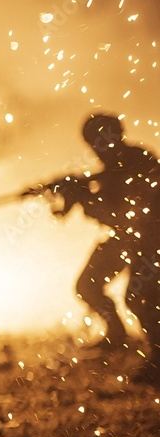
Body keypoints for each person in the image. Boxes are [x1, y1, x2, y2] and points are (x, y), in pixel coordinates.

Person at [41, 114, 160, 370]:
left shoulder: (141, 163)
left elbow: (124, 215)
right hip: (127, 240)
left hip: (151, 242)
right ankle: (116, 335)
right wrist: (74, 195)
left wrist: (81, 195)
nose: (97, 150)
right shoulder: (116, 169)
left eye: (99, 142)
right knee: (88, 284)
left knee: (139, 298)